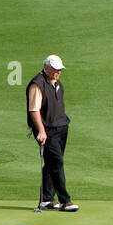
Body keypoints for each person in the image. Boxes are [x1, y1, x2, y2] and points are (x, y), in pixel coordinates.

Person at [27, 54, 78, 212]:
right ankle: (65, 200)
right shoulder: (37, 84)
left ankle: (46, 199)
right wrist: (41, 131)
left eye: (60, 69)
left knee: (51, 162)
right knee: (56, 162)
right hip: (47, 129)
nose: (58, 72)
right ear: (46, 68)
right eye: (55, 69)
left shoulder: (57, 83)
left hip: (61, 127)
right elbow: (34, 110)